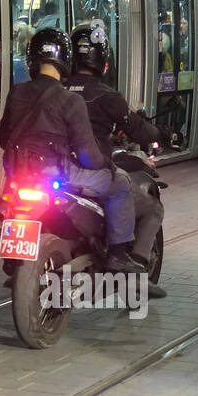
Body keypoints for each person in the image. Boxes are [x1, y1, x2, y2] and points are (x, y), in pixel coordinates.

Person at [0, 27, 142, 274]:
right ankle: (118, 254)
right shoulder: (69, 100)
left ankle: (15, 253)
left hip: (19, 174)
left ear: (31, 58)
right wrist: (107, 163)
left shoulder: (17, 92)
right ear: (65, 58)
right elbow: (88, 155)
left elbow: (2, 138)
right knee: (120, 183)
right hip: (56, 175)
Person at [64, 24, 167, 296]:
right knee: (151, 206)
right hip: (91, 172)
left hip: (56, 171)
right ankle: (129, 265)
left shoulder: (56, 90)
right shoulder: (106, 95)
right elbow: (136, 128)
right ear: (102, 57)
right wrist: (159, 133)